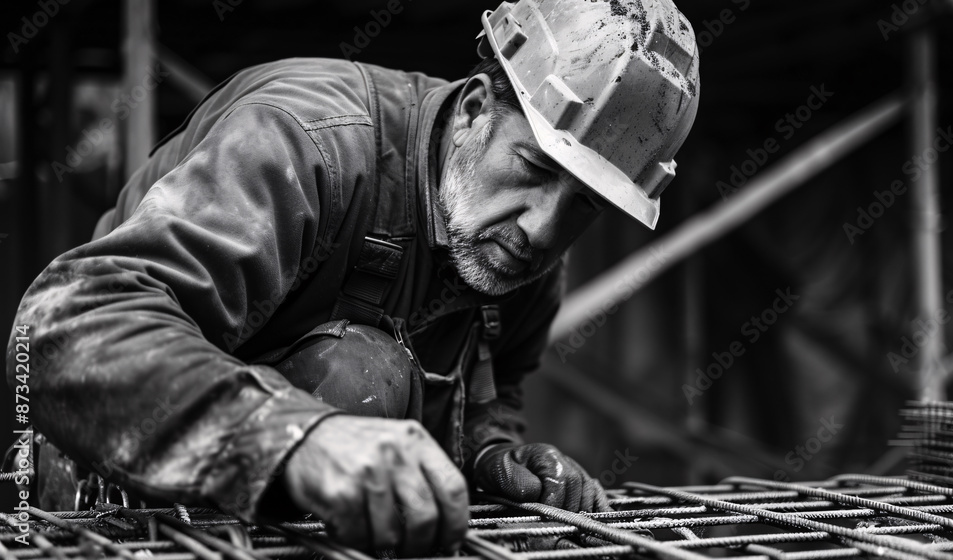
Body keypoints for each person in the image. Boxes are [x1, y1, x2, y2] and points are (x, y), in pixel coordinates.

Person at [5, 0, 699, 554]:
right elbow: (60, 334)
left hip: (290, 528)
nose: (540, 230)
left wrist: (491, 456)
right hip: (121, 492)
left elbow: (493, 392)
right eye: (535, 169)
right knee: (359, 374)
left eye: (585, 203)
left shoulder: (521, 254)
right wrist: (298, 439)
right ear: (478, 109)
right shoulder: (303, 142)